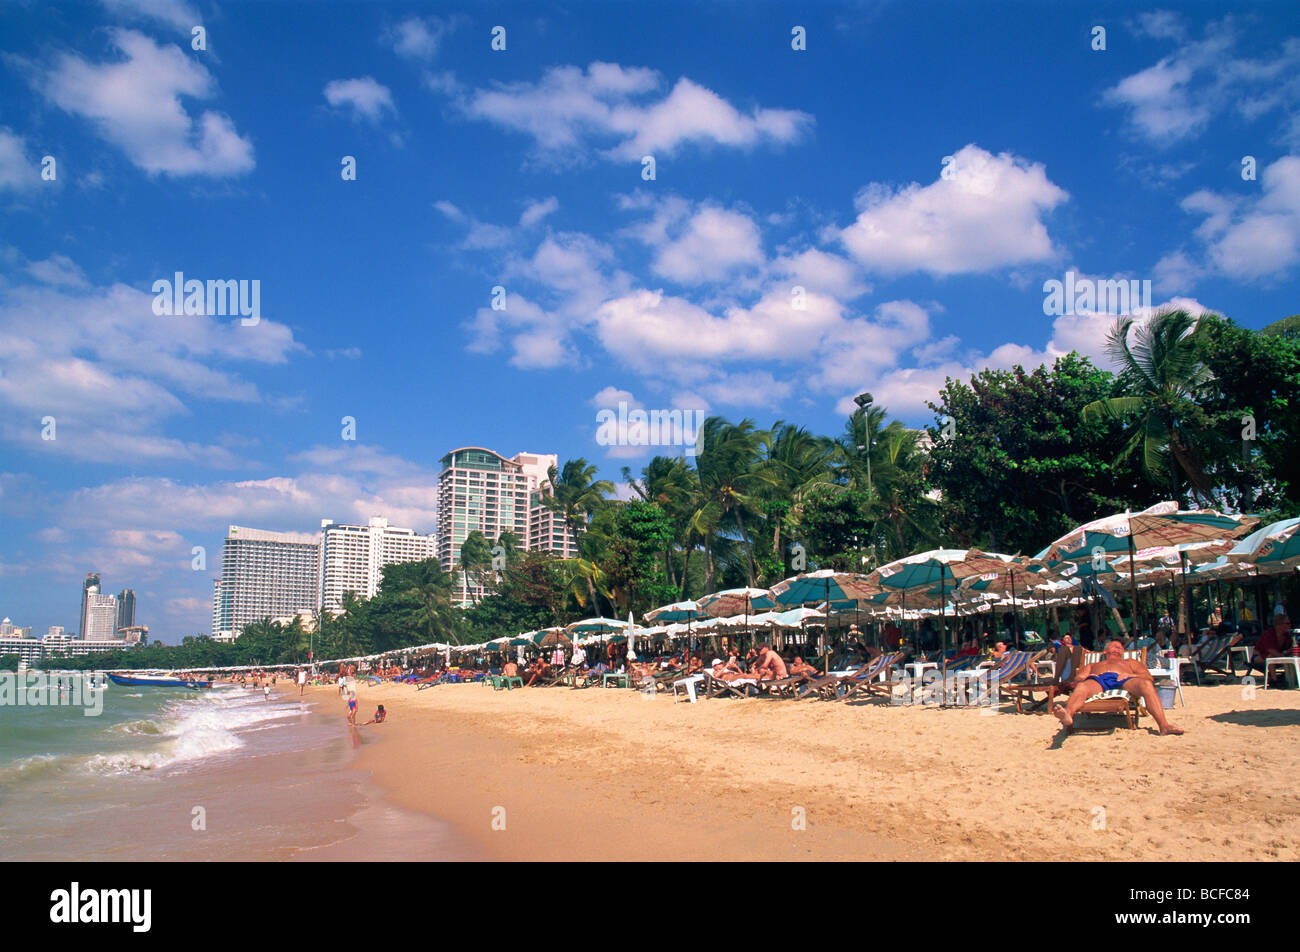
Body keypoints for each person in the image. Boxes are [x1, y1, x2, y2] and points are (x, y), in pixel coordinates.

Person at [1053, 640, 1183, 735]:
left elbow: (1148, 677)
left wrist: (1129, 674)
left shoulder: (1129, 662)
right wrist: (1087, 677)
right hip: (1099, 680)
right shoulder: (1094, 664)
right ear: (1105, 651)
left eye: (1121, 648)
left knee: (1146, 685)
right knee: (1082, 687)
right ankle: (1068, 716)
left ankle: (1164, 725)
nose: (1118, 649)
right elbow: (1078, 679)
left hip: (1125, 679)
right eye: (1115, 646)